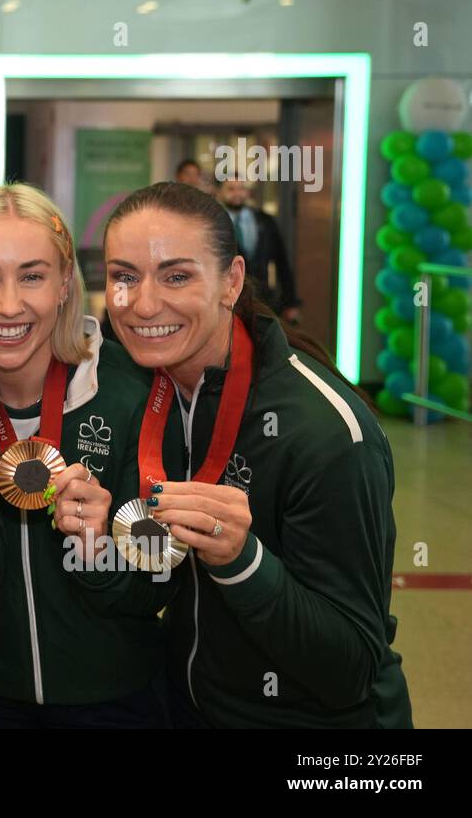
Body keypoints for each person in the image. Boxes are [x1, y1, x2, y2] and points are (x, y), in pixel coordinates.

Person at [102, 181, 411, 728]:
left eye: (177, 276)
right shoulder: (151, 393)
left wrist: (243, 562)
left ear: (232, 281)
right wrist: (99, 535)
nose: (143, 303)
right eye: (124, 276)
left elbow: (350, 668)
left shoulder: (325, 433)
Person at [0, 183, 166, 727]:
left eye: (32, 276)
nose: (9, 304)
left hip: (120, 703)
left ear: (63, 283)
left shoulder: (134, 395)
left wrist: (101, 549)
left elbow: (160, 586)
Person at [216, 175, 302, 322]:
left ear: (248, 192)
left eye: (241, 188)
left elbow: (282, 263)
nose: (237, 193)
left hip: (263, 300)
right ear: (220, 192)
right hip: (226, 301)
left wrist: (291, 302)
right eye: (231, 189)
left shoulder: (265, 221)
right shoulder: (213, 223)